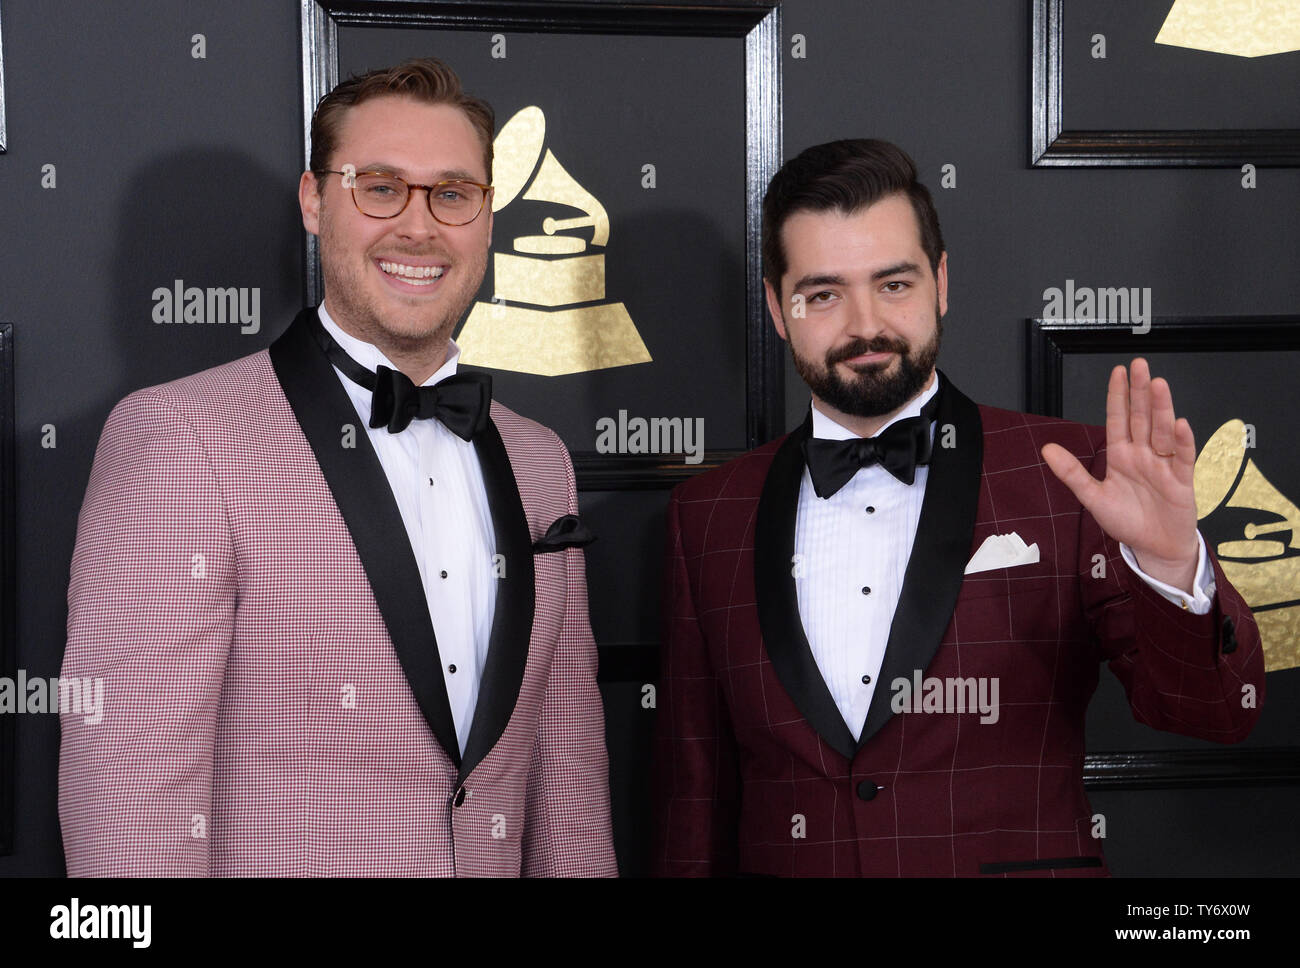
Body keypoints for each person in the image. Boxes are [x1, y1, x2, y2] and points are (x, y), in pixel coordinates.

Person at [59, 58, 616, 877]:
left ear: (488, 218)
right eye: (380, 187)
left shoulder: (538, 463)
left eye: (453, 194)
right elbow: (129, 799)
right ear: (316, 202)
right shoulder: (180, 438)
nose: (419, 227)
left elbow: (566, 773)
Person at [652, 138, 1264, 877]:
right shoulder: (707, 515)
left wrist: (1170, 563)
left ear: (941, 282)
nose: (864, 324)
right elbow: (695, 805)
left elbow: (1214, 713)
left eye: (895, 284)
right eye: (823, 293)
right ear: (779, 310)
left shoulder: (1069, 477)